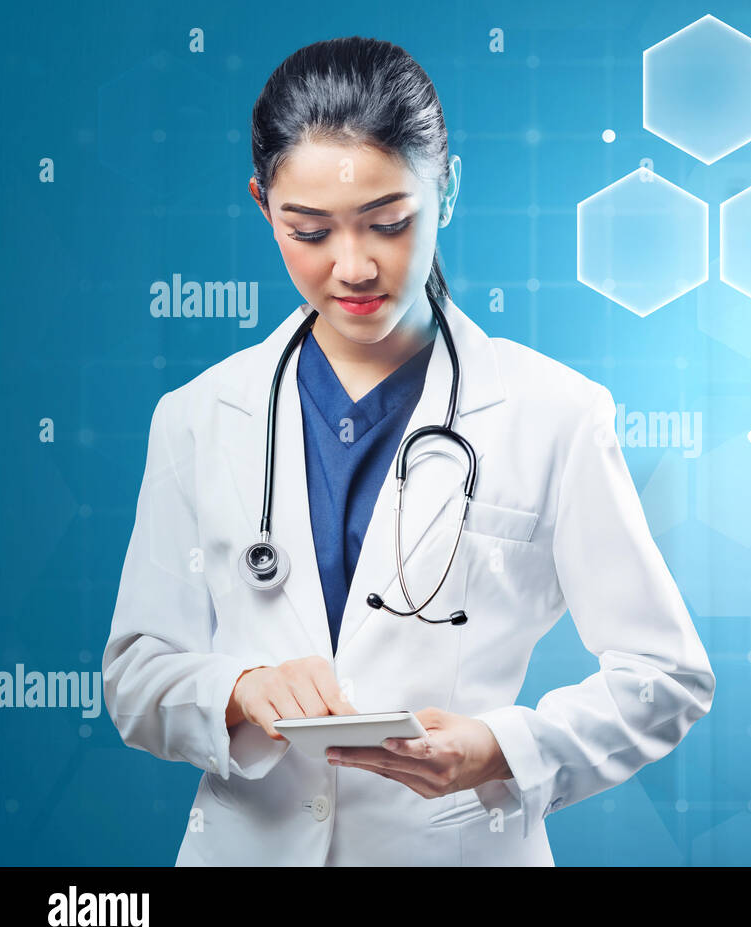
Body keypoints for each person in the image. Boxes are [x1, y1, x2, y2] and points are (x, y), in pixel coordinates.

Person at [102, 36, 715, 866]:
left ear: (448, 190)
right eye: (308, 231)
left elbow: (666, 677)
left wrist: (507, 749)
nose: (352, 267)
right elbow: (137, 675)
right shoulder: (198, 415)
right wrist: (238, 693)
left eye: (390, 222)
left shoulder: (556, 415)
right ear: (261, 206)